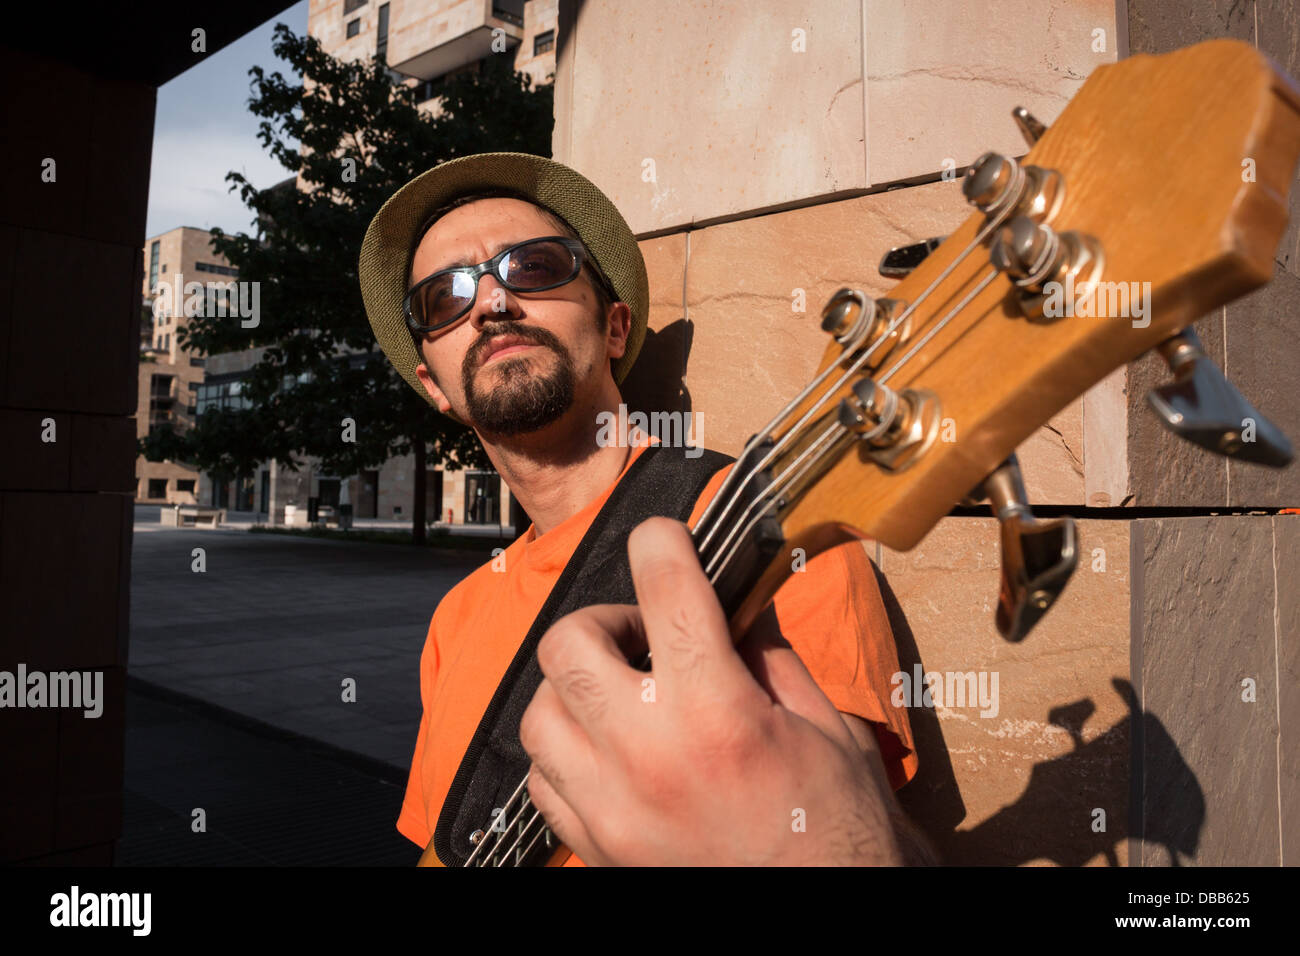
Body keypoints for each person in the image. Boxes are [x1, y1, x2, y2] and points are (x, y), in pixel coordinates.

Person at [359, 152, 932, 865]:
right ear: (434, 385)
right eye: (445, 298)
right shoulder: (455, 619)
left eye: (533, 267)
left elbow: (856, 837)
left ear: (617, 329)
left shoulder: (770, 529)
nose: (492, 303)